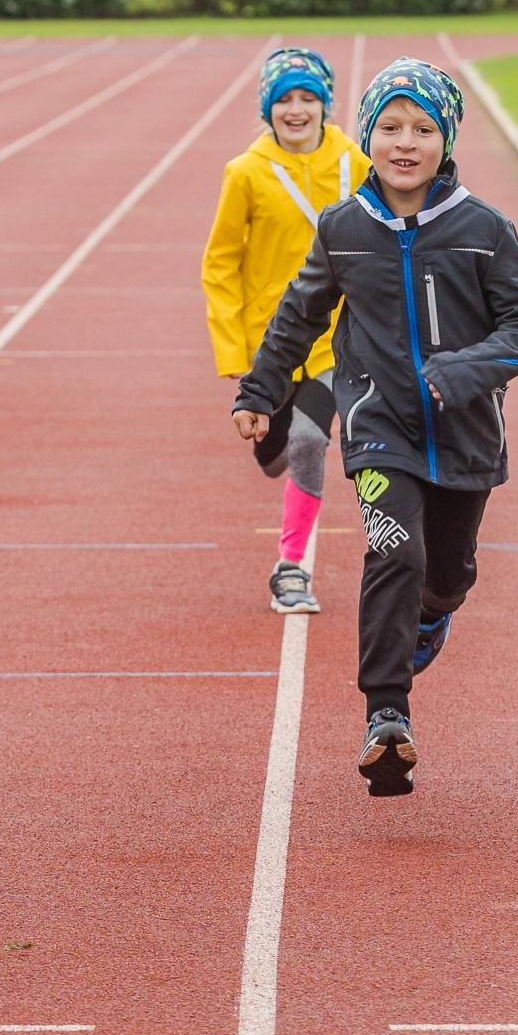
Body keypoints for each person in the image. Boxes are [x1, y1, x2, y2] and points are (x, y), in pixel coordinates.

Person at [232, 59, 518, 795]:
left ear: (447, 140)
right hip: (379, 430)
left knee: (446, 574)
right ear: (367, 136)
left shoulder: (483, 230)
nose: (404, 143)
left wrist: (462, 373)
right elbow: (298, 315)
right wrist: (260, 389)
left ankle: (435, 617)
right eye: (389, 127)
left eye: (422, 129)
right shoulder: (344, 229)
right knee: (393, 550)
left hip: (468, 436)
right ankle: (387, 717)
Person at [202, 47, 361, 615]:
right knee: (276, 454)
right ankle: (279, 452)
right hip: (268, 343)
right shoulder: (246, 172)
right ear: (268, 110)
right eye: (284, 100)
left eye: (308, 97)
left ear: (326, 104)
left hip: (334, 339)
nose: (297, 110)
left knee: (309, 441)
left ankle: (291, 567)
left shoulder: (357, 164)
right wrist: (233, 351)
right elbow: (220, 262)